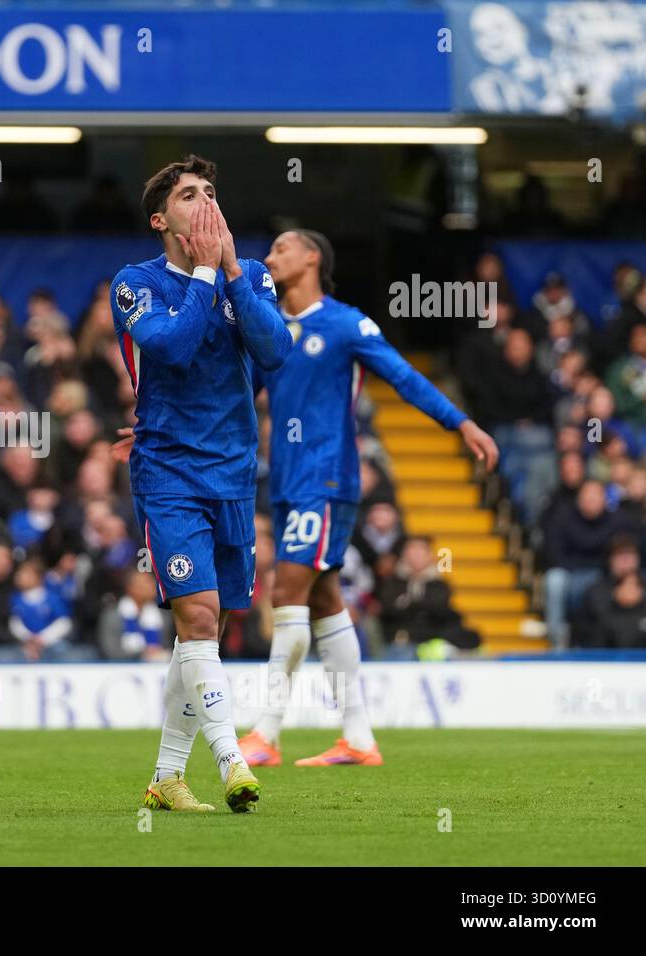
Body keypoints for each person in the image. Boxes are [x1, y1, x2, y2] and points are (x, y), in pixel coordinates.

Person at [236, 229, 497, 768]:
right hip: (284, 481)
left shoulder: (345, 323)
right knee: (324, 600)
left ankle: (266, 732)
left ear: (312, 258)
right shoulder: (271, 331)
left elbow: (403, 377)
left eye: (282, 248)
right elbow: (241, 399)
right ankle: (358, 737)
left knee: (287, 589)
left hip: (325, 479)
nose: (270, 256)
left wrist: (461, 422)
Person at [109, 155, 292, 813]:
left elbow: (276, 352)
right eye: (190, 195)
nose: (205, 202)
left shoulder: (254, 277)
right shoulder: (136, 283)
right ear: (162, 219)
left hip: (235, 474)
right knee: (200, 616)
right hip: (168, 474)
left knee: (199, 634)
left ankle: (165, 777)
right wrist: (210, 274)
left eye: (211, 191)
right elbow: (173, 347)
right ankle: (232, 762)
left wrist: (235, 273)